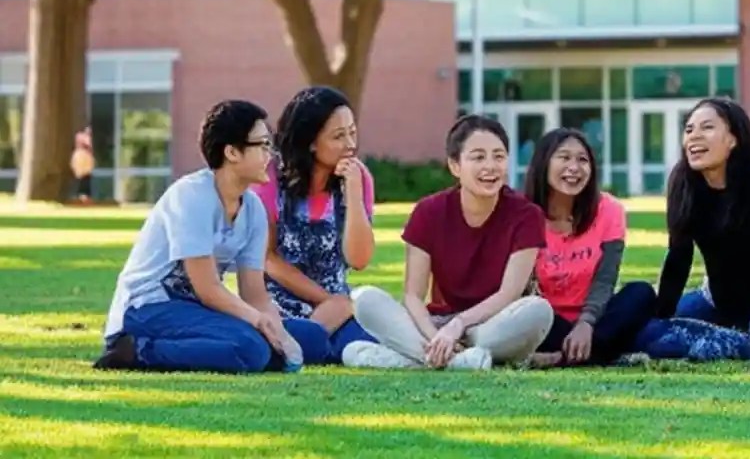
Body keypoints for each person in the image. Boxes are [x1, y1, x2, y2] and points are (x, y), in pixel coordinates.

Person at [93, 100, 325, 373]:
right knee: (251, 348)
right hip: (149, 307)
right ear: (232, 152)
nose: (270, 154)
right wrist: (258, 323)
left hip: (195, 309)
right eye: (262, 145)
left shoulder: (252, 209)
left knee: (313, 338)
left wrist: (276, 331)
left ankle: (252, 351)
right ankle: (137, 351)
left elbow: (255, 294)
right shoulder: (192, 196)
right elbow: (208, 289)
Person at [345, 115, 554, 370]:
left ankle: (414, 360)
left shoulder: (526, 215)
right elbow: (412, 296)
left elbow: (508, 294)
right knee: (364, 299)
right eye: (478, 157)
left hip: (491, 325)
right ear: (455, 166)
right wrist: (437, 337)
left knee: (539, 311)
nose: (490, 166)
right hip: (437, 324)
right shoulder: (428, 212)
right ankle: (455, 360)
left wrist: (459, 325)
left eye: (498, 156)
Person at [636, 97, 750, 362]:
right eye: (689, 129)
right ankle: (735, 340)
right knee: (649, 336)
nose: (694, 136)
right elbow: (678, 258)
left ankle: (747, 340)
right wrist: (662, 319)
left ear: (733, 139)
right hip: (717, 303)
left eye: (707, 127)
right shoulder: (683, 184)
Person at [253, 86, 377, 365]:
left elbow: (359, 260)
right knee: (316, 344)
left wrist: (354, 195)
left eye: (352, 132)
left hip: (339, 308)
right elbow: (266, 258)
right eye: (338, 136)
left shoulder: (358, 178)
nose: (350, 144)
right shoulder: (270, 177)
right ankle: (294, 344)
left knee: (366, 344)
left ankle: (301, 349)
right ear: (310, 142)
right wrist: (325, 300)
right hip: (280, 303)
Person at [522, 128, 656, 367]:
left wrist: (586, 322)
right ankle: (599, 353)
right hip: (545, 320)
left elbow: (605, 280)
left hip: (597, 320)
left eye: (582, 160)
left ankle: (563, 358)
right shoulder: (522, 215)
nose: (574, 167)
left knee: (641, 293)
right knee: (526, 314)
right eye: (564, 157)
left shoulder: (609, 210)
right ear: (543, 163)